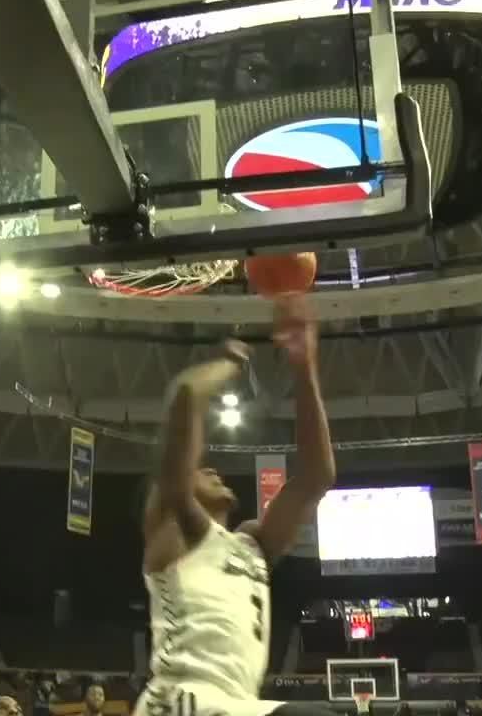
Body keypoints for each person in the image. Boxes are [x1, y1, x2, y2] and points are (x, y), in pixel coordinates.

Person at [134, 296, 337, 716]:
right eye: (199, 469)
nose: (212, 470)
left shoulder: (253, 543)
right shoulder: (177, 533)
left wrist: (304, 366)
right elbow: (186, 395)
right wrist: (234, 362)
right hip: (182, 700)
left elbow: (317, 477)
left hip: (238, 704)